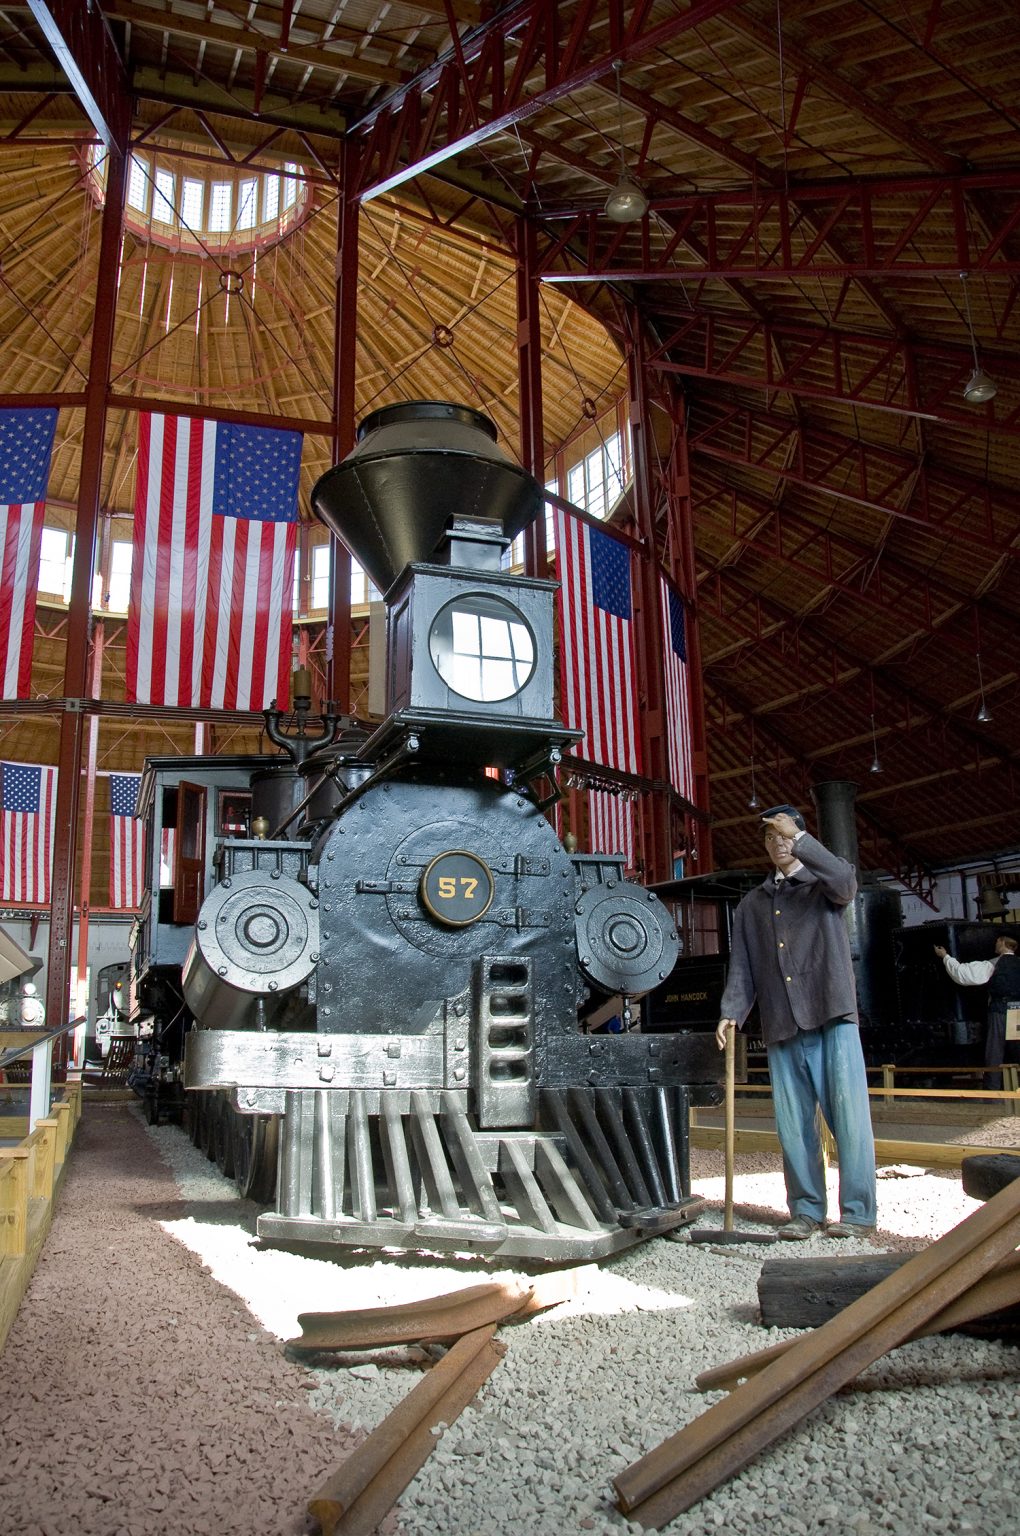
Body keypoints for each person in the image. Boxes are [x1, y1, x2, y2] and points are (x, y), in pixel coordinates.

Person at [716, 804, 876, 1241]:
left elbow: (846, 883)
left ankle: (858, 1215)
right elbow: (744, 966)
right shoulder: (751, 904)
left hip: (831, 1014)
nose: (778, 844)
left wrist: (802, 840)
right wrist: (732, 1012)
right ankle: (806, 1211)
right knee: (793, 1125)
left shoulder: (824, 885)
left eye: (786, 835)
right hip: (782, 1022)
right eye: (770, 838)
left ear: (801, 838)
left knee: (849, 1120)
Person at [934, 934, 1020, 1091]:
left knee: (995, 1050)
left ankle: (993, 1089)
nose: (995, 944)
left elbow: (963, 974)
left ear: (1003, 944)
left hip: (999, 1011)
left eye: (997, 942)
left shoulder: (994, 964)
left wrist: (945, 956)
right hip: (1018, 1011)